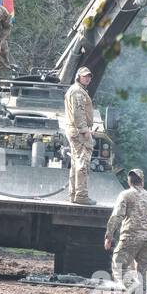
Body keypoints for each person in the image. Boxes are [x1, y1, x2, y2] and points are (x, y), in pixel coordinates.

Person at [105, 168, 147, 294]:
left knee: (118, 265)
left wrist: (109, 235)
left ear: (129, 181)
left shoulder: (125, 195)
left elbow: (117, 216)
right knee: (143, 271)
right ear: (142, 181)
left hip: (130, 237)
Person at [64, 67, 96, 205]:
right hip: (79, 132)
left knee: (76, 163)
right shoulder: (77, 92)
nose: (87, 78)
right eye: (84, 76)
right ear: (78, 77)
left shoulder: (77, 90)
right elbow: (78, 113)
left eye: (89, 76)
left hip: (74, 130)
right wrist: (84, 129)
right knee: (83, 163)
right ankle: (81, 195)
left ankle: (73, 194)